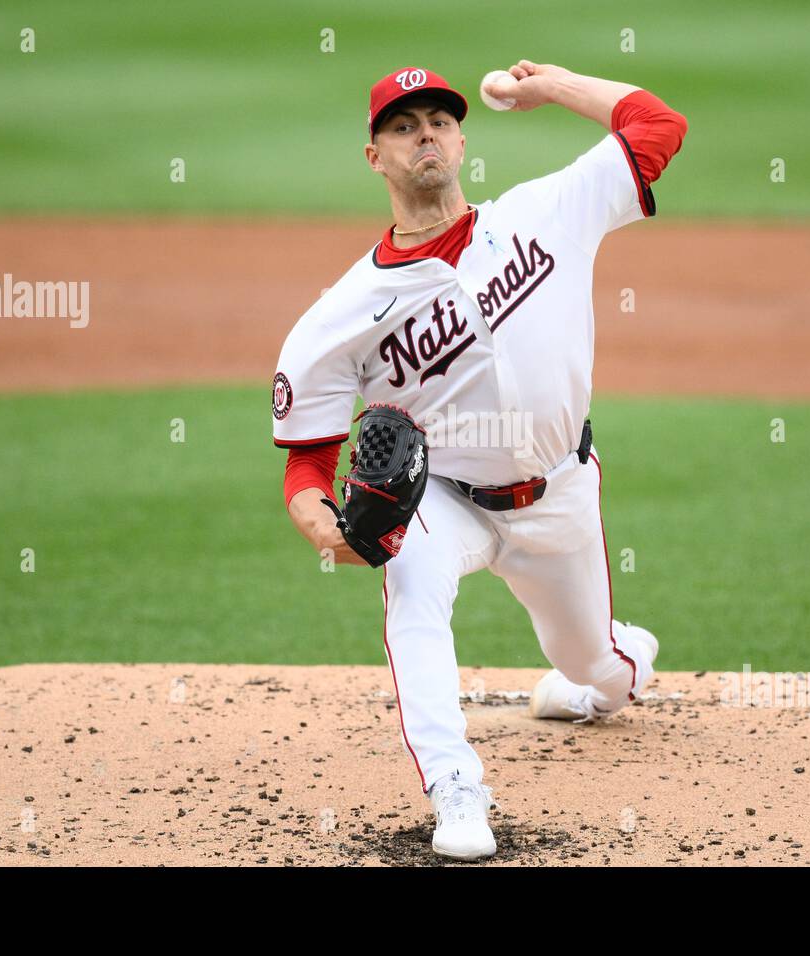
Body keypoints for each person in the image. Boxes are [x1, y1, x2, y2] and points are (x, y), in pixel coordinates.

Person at [272, 60, 687, 860]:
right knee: (411, 577)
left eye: (437, 121)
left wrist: (554, 84)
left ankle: (606, 665)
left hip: (558, 495)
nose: (423, 135)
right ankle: (457, 787)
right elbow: (306, 466)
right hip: (445, 500)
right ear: (375, 156)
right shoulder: (339, 315)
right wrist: (328, 531)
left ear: (461, 139)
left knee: (599, 671)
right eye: (402, 126)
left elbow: (658, 127)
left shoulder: (545, 213)